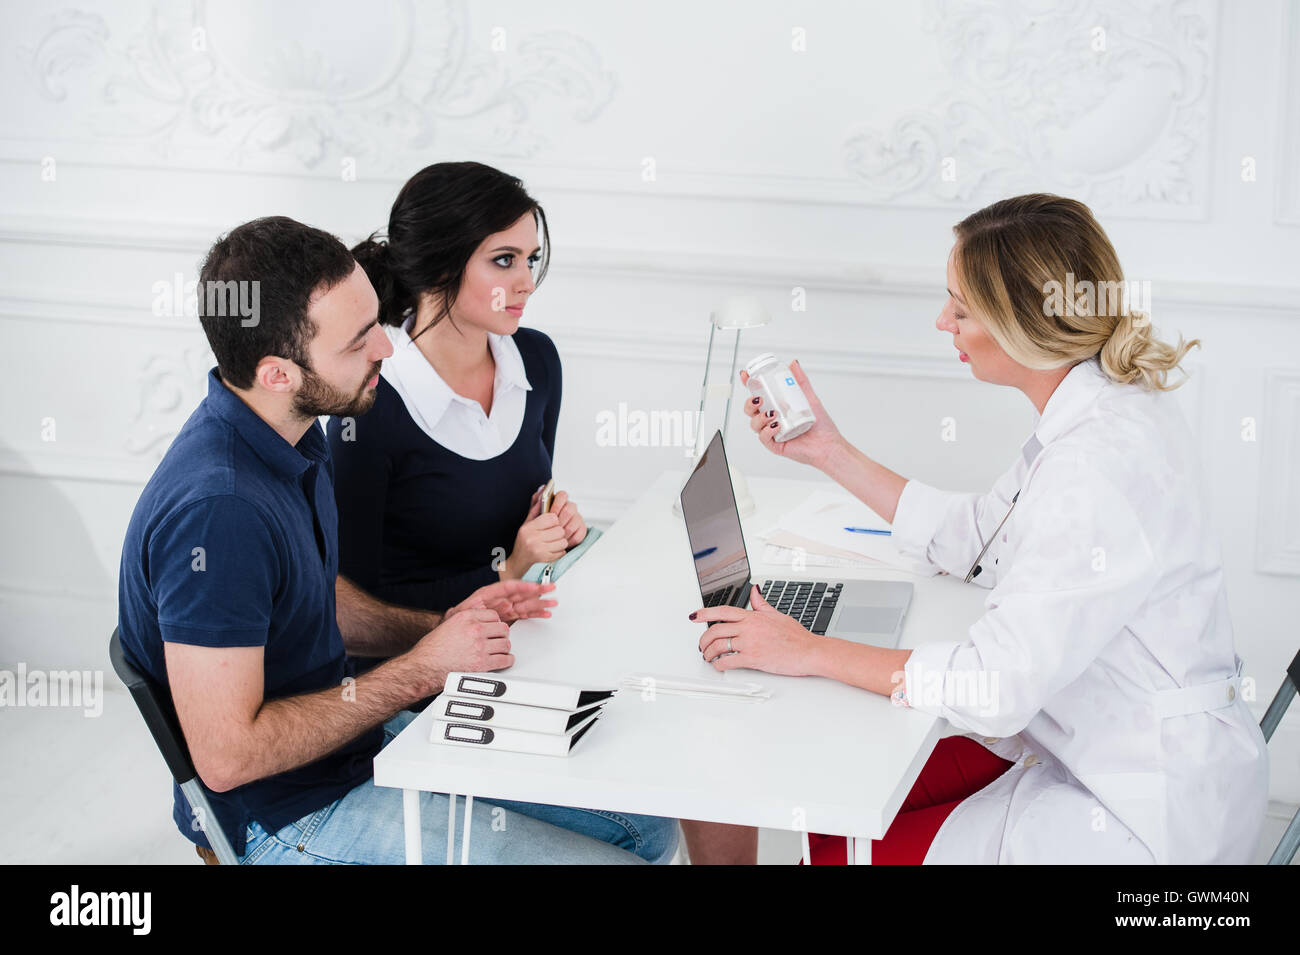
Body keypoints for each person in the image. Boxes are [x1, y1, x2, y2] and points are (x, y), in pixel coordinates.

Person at [693, 194, 1269, 864]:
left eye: (961, 308)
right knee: (834, 806)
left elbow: (991, 685)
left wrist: (808, 649)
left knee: (833, 841)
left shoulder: (1094, 468)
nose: (944, 322)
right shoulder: (1097, 408)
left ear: (1022, 324)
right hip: (1102, 749)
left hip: (1144, 815)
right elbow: (979, 537)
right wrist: (828, 449)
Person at [117, 215, 676, 864]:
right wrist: (421, 669)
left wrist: (442, 625)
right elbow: (227, 756)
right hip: (283, 816)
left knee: (649, 830)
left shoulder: (295, 427)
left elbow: (315, 600)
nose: (386, 349)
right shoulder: (220, 512)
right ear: (278, 373)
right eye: (359, 341)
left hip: (348, 751)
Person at [328, 162, 586, 617]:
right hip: (417, 666)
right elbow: (356, 612)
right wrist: (510, 570)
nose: (526, 282)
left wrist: (555, 531)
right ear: (440, 265)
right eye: (504, 260)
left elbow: (525, 515)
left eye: (531, 259)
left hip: (521, 633)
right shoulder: (369, 407)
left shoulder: (538, 361)